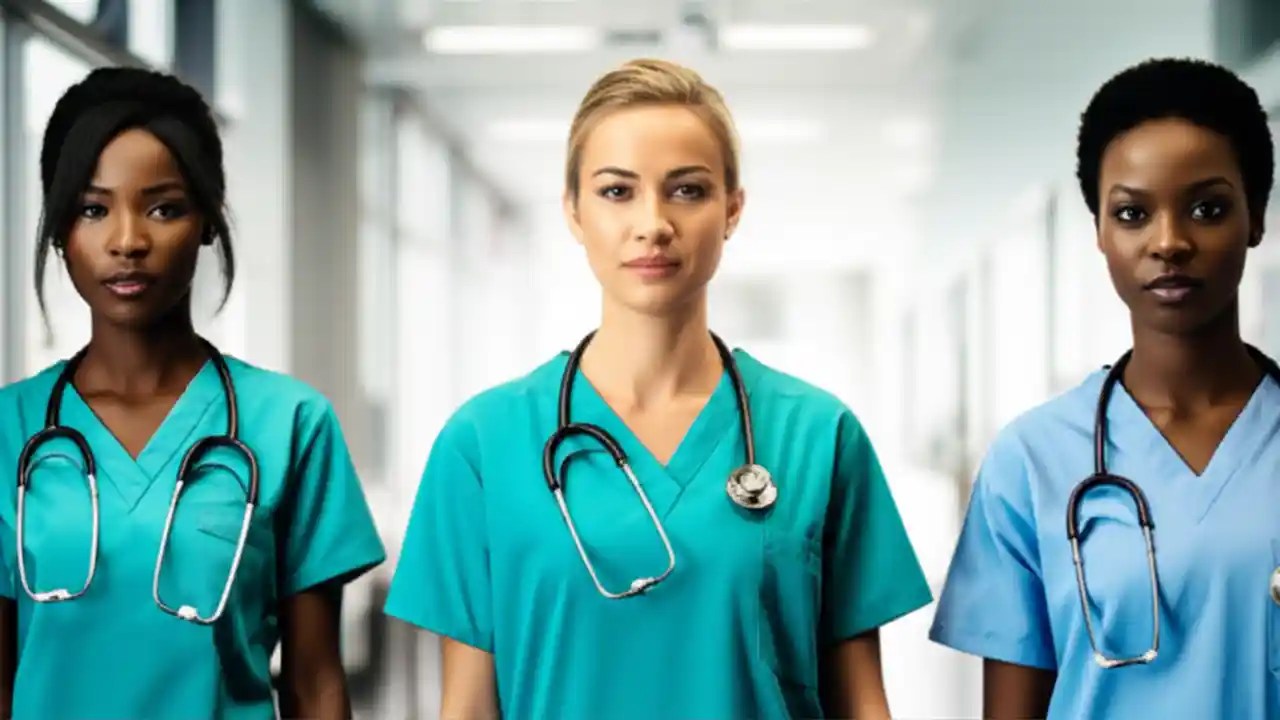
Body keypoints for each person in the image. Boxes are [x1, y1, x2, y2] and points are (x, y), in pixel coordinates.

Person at [384, 57, 932, 720]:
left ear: (732, 209)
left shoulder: (817, 434)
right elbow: (467, 709)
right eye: (617, 191)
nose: (653, 223)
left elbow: (862, 703)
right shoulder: (483, 443)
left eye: (688, 190)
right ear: (573, 211)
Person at [0, 66, 386, 718]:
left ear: (207, 220)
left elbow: (316, 685)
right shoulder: (10, 430)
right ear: (61, 231)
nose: (128, 241)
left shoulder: (289, 425)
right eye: (93, 209)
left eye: (164, 208)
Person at [928, 57, 1278, 719]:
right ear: (1099, 231)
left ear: (1255, 217)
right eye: (1133, 213)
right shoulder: (1031, 461)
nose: (1169, 242)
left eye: (1206, 208)